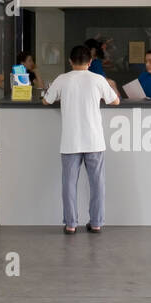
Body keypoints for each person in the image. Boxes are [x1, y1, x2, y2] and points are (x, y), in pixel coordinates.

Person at [42, 44, 120, 233]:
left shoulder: (62, 79)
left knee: (69, 184)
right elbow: (115, 101)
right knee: (97, 184)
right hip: (94, 139)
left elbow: (46, 100)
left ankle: (70, 224)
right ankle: (96, 223)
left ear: (70, 61)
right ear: (91, 61)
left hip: (71, 140)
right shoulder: (98, 79)